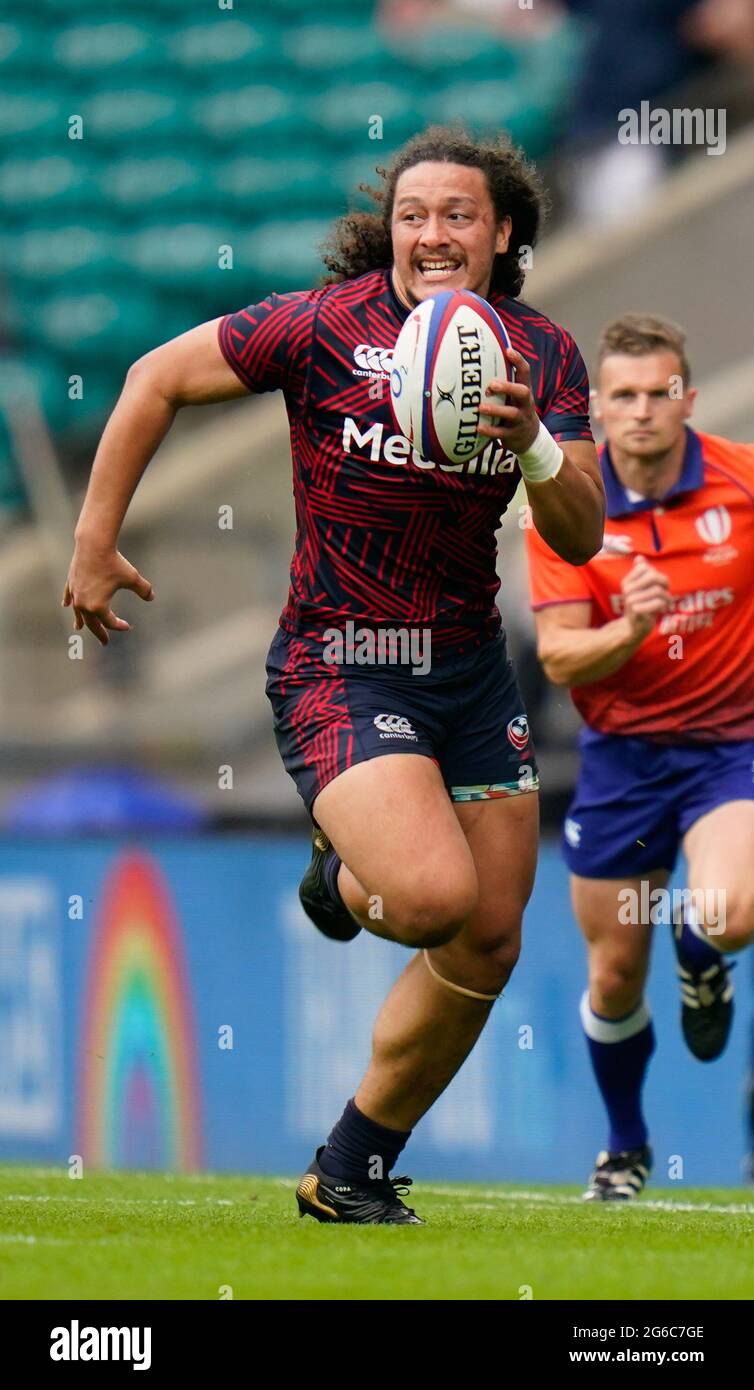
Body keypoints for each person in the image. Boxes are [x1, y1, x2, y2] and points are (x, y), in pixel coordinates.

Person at [64, 126, 604, 1224]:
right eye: (414, 215)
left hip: (468, 672)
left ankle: (349, 1167)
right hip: (339, 663)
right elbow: (153, 375)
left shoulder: (542, 355)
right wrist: (93, 540)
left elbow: (585, 533)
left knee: (489, 936)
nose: (434, 233)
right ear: (388, 231)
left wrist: (537, 448)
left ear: (503, 234)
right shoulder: (325, 326)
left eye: (459, 214)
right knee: (430, 896)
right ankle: (342, 866)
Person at [526, 313, 754, 1200]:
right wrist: (633, 627)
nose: (643, 411)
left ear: (687, 398)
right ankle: (624, 1148)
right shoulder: (565, 506)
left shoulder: (742, 483)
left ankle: (703, 957)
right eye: (622, 396)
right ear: (598, 408)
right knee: (616, 974)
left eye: (660, 393)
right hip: (621, 761)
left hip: (732, 751)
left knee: (724, 912)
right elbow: (558, 657)